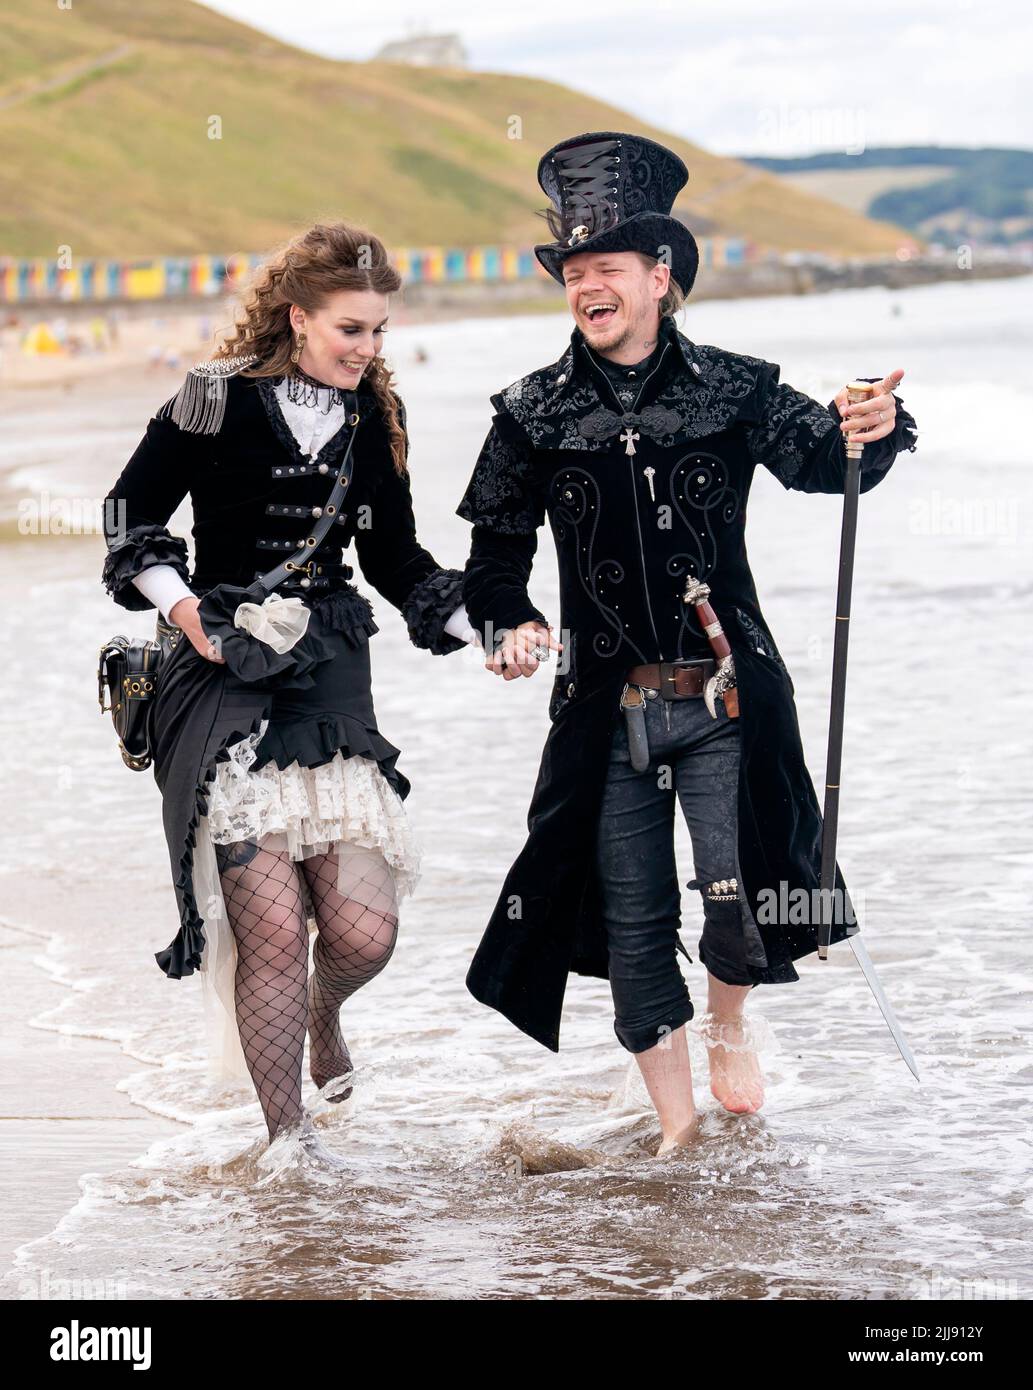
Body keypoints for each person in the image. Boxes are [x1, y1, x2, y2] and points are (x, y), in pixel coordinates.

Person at [456, 131, 919, 1156]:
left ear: (660, 275)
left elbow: (825, 456)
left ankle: (730, 1018)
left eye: (606, 269)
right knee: (628, 913)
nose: (586, 287)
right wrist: (511, 621)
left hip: (723, 692)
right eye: (572, 272)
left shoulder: (733, 388)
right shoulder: (531, 413)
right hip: (601, 710)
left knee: (735, 883)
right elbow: (491, 560)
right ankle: (676, 1131)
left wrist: (870, 421)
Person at [101, 222, 473, 1157]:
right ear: (299, 317)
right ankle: (289, 1149)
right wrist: (191, 617)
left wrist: (480, 625)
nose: (369, 349)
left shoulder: (370, 417)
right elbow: (128, 515)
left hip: (331, 672)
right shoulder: (211, 397)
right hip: (221, 674)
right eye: (353, 330)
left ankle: (324, 1010)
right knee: (269, 925)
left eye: (380, 331)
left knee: (360, 934)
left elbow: (395, 558)